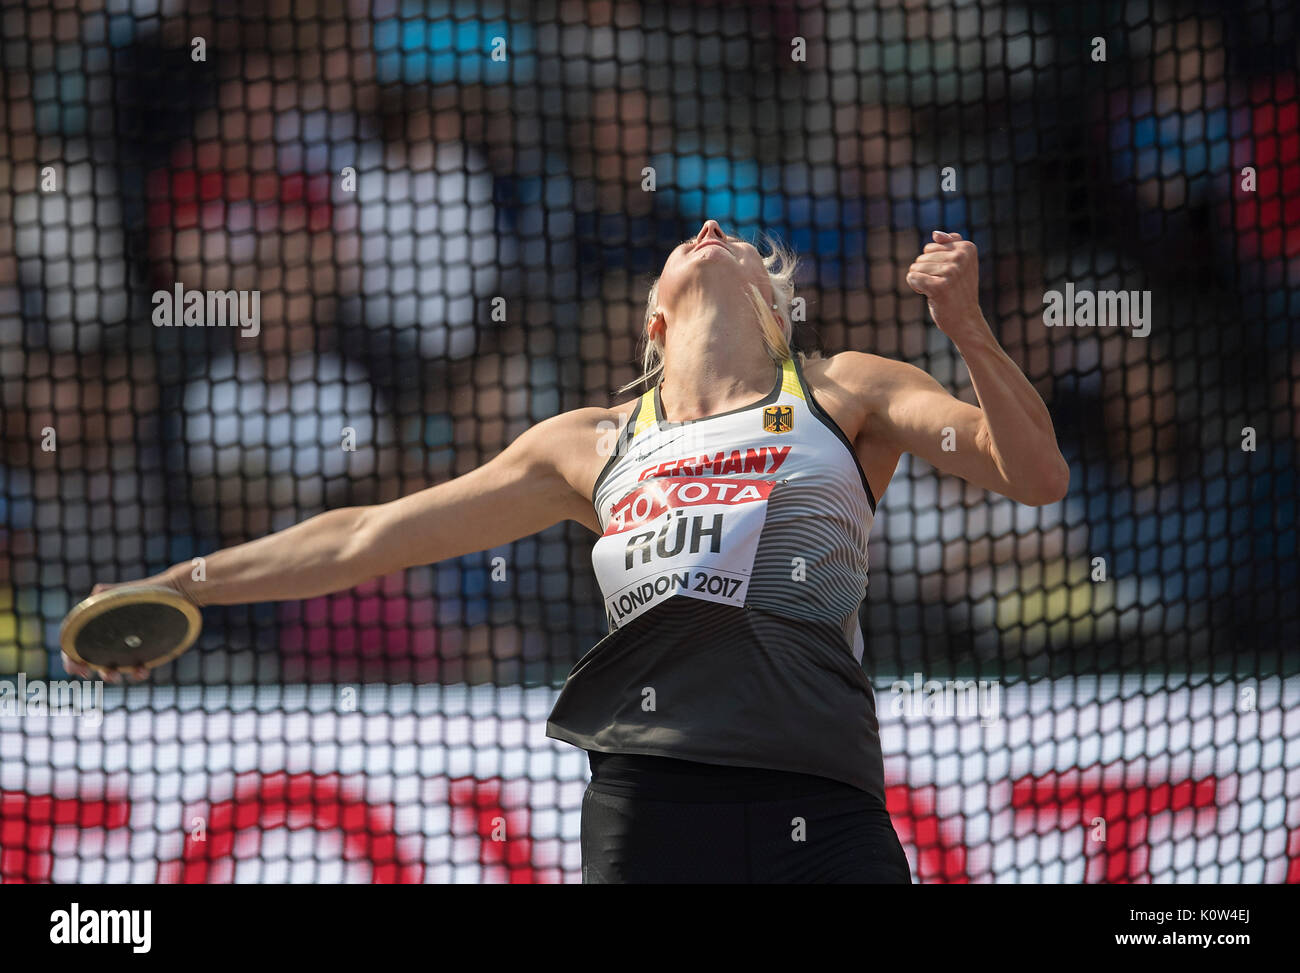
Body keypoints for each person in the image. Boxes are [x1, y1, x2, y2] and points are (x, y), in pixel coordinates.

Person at [65, 220, 1069, 883]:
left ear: (775, 309)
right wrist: (177, 580)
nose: (713, 233)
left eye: (741, 244)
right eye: (691, 238)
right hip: (651, 803)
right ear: (655, 321)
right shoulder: (590, 444)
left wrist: (967, 328)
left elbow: (1035, 477)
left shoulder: (843, 392)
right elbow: (366, 536)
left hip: (826, 799)